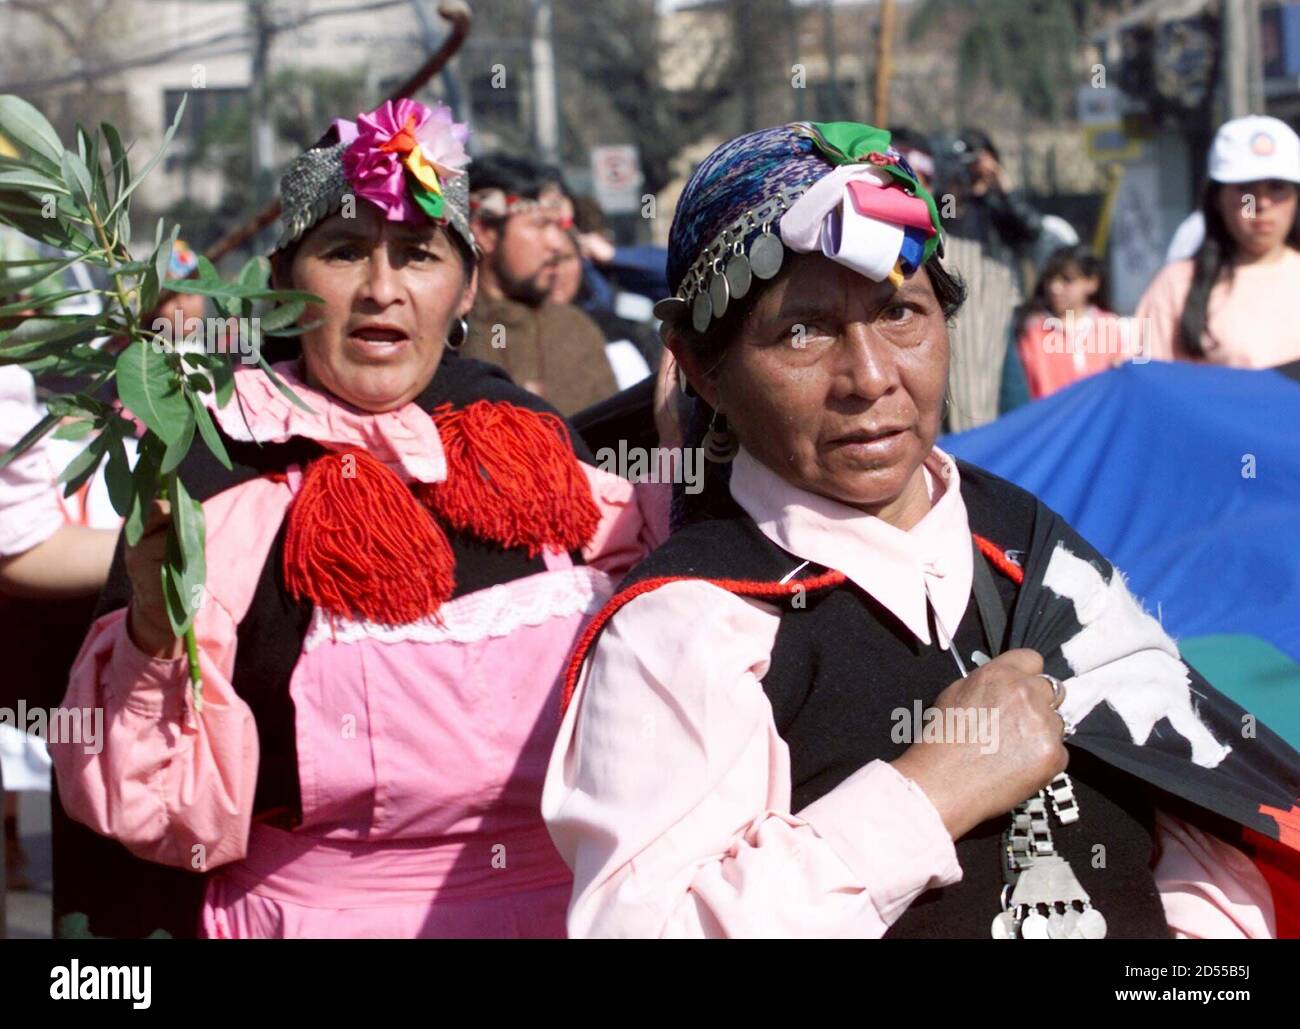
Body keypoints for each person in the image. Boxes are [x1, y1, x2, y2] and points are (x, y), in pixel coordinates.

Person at [542, 120, 1300, 939]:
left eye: (901, 313)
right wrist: (928, 793)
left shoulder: (1039, 558)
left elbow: (1201, 834)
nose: (870, 378)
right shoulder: (689, 628)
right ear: (701, 370)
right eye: (803, 331)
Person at [48, 98, 678, 939]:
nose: (382, 289)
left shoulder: (538, 453)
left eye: (417, 255)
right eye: (344, 252)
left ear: (466, 288)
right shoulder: (214, 474)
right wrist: (155, 640)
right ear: (283, 283)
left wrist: (688, 439)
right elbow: (159, 815)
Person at [459, 154, 620, 414]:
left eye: (558, 227)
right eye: (540, 225)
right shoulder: (450, 333)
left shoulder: (575, 331)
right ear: (485, 233)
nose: (556, 244)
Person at [1136, 115, 1300, 367]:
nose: (1262, 204)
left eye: (1277, 187)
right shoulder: (1177, 286)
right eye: (1245, 189)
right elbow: (1146, 385)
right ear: (1216, 198)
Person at [1016, 245, 1134, 399]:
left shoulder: (1114, 328)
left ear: (1092, 283)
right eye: (1051, 279)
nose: (1055, 288)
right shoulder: (1032, 331)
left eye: (1067, 280)